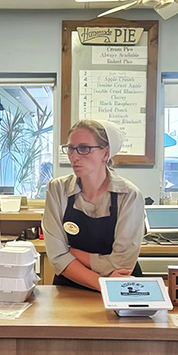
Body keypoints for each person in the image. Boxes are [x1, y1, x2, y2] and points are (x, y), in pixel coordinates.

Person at [42, 119, 145, 290]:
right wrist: (102, 283)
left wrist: (72, 252)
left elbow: (121, 263)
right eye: (71, 148)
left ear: (105, 153)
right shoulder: (57, 189)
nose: (74, 156)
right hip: (72, 288)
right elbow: (57, 257)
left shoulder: (129, 195)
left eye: (84, 148)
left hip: (120, 286)